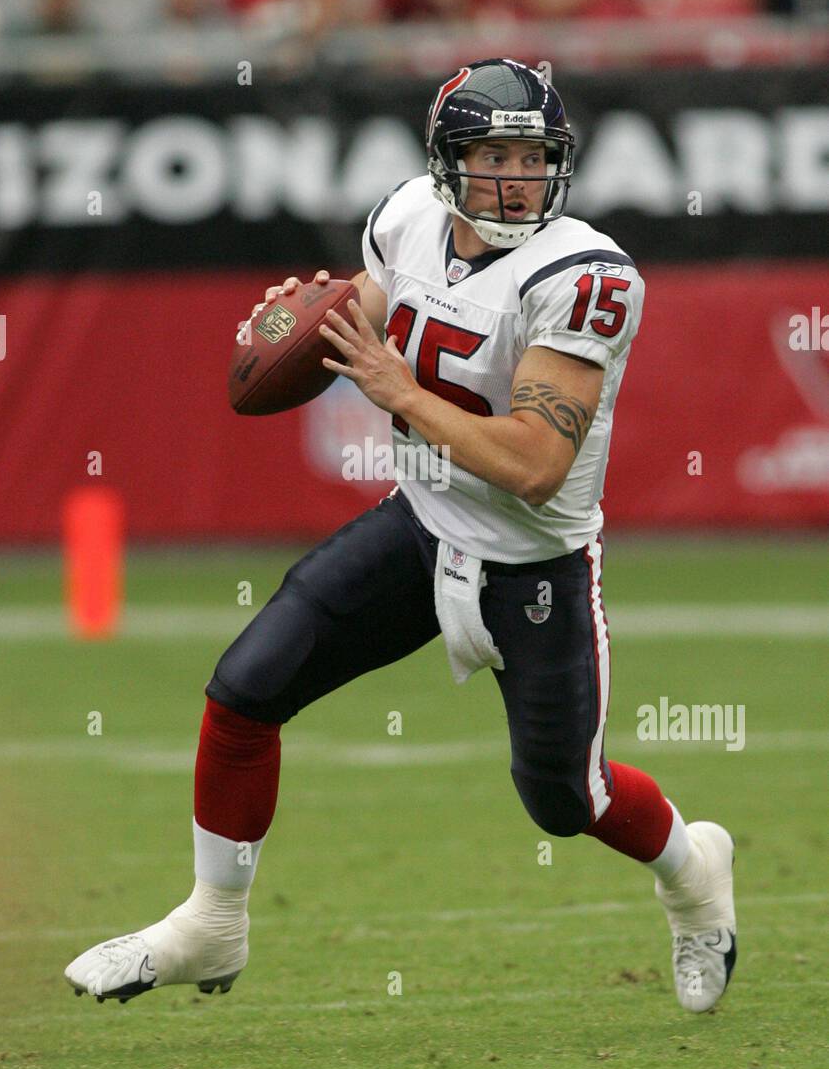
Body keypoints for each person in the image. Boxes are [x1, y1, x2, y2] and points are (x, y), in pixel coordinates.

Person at [64, 57, 736, 1015]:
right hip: (420, 525)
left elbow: (536, 462)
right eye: (494, 155)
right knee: (245, 692)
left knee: (564, 798)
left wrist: (398, 389)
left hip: (531, 560)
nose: (516, 178)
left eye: (533, 156)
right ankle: (213, 919)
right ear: (446, 160)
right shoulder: (407, 218)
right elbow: (372, 321)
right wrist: (305, 323)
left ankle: (693, 872)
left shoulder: (585, 275)